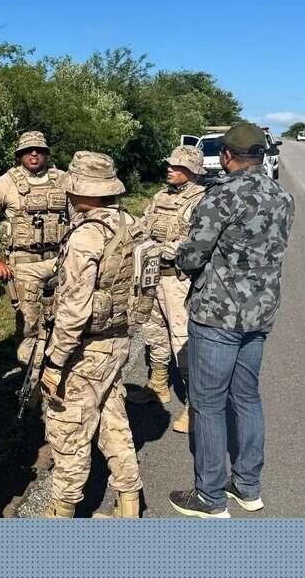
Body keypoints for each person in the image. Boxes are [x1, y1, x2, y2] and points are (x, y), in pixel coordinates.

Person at [168, 123, 294, 519]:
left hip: (218, 313)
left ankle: (209, 497)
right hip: (260, 313)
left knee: (207, 403)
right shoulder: (282, 196)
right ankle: (247, 485)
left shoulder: (221, 197)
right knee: (247, 396)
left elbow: (193, 255)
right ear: (260, 155)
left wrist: (179, 258)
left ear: (226, 155)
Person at [37, 151, 143, 518]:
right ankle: (129, 502)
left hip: (86, 349)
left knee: (68, 429)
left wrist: (55, 360)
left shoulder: (87, 236)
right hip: (119, 339)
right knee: (112, 416)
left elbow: (73, 310)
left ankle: (61, 511)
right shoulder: (133, 224)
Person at [126, 145, 207, 437]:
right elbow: (144, 226)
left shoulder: (201, 201)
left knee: (182, 341)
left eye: (177, 166)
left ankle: (194, 405)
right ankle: (157, 384)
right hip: (153, 276)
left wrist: (159, 249)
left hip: (177, 280)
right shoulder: (161, 196)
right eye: (169, 165)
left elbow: (194, 243)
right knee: (153, 332)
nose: (169, 169)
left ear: (193, 171)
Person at [0, 131, 68, 366]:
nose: (34, 153)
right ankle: (31, 380)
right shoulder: (4, 184)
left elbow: (81, 218)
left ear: (46, 153)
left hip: (60, 262)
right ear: (19, 155)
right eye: (28, 150)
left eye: (38, 149)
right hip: (23, 266)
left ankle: (54, 374)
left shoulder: (65, 180)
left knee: (63, 321)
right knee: (29, 326)